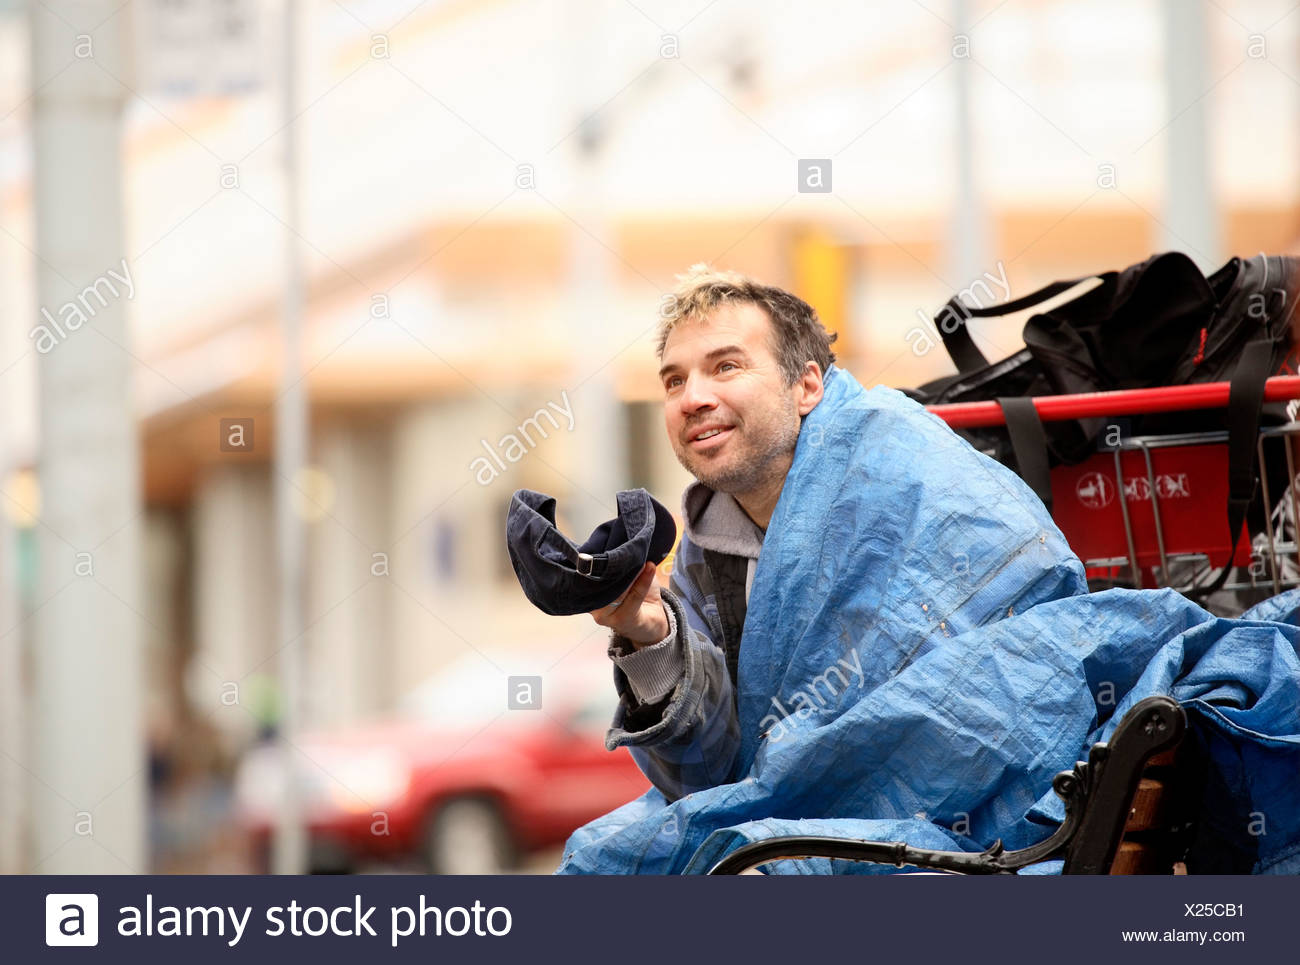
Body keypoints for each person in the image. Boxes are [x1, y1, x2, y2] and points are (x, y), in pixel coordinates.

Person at [588, 264, 835, 802]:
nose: (691, 399)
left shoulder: (898, 495)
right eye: (674, 380)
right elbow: (703, 779)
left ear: (807, 386)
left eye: (725, 366)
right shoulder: (704, 550)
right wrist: (651, 638)